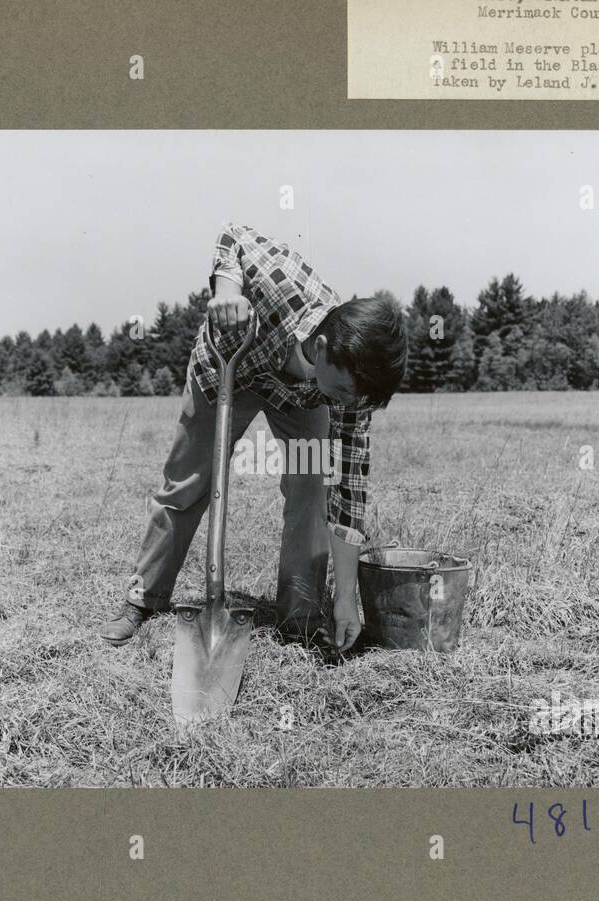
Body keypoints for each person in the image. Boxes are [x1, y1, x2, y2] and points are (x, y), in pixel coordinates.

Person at [98, 221, 407, 651]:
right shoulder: (285, 286)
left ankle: (301, 615)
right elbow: (233, 236)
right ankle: (143, 598)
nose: (348, 407)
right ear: (321, 348)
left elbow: (348, 504)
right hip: (227, 369)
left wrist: (346, 600)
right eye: (343, 391)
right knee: (187, 483)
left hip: (300, 397)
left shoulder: (350, 398)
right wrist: (227, 291)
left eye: (357, 400)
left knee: (312, 490)